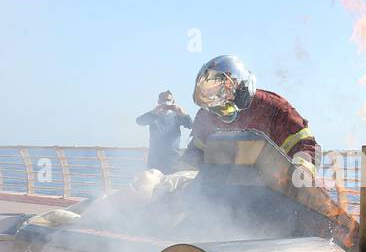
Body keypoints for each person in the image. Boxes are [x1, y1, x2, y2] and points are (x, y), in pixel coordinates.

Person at [185, 55, 318, 168]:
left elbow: (304, 145)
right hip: (222, 193)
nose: (215, 101)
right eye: (209, 93)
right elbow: (194, 155)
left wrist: (301, 173)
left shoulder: (272, 107)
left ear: (233, 83)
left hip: (273, 192)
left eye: (217, 89)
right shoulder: (206, 115)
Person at [136, 90, 192, 172]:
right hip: (155, 159)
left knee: (171, 183)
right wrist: (154, 112)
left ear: (173, 102)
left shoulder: (177, 116)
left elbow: (191, 125)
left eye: (168, 100)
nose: (166, 102)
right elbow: (139, 121)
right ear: (159, 102)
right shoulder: (153, 115)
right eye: (163, 100)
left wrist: (183, 113)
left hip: (173, 159)